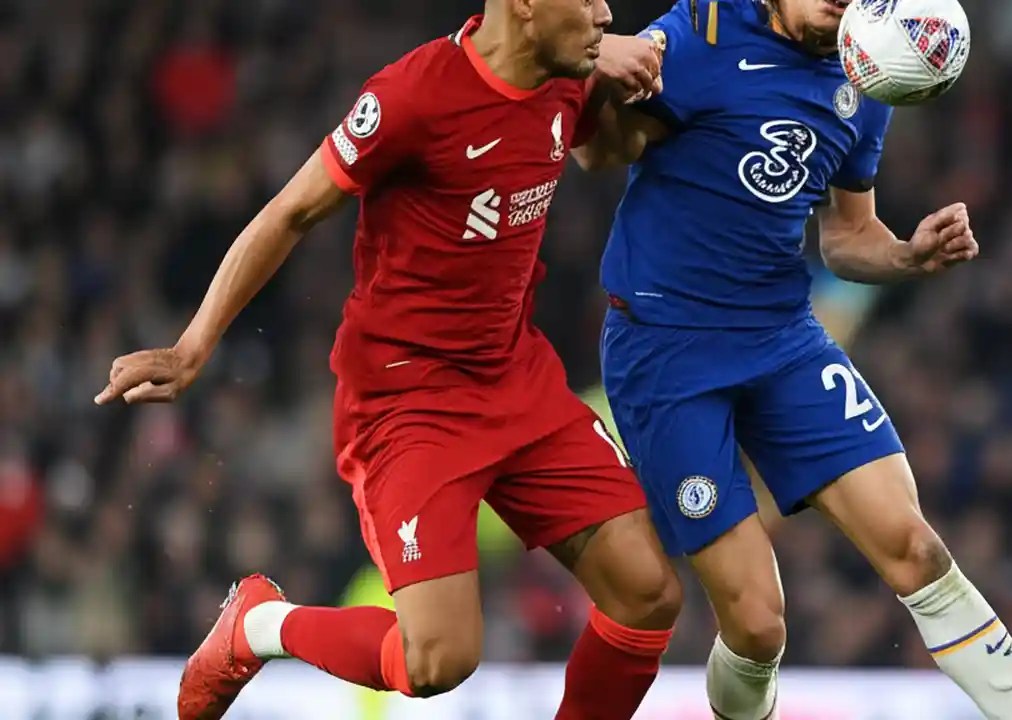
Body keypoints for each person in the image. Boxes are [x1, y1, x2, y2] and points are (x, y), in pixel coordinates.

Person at [94, 1, 682, 718]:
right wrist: (192, 347)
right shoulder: (413, 96)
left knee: (647, 593)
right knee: (438, 660)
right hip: (410, 404)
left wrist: (635, 77)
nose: (605, 10)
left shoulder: (564, 75)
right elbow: (290, 212)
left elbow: (603, 149)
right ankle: (258, 624)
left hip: (514, 376)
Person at [574, 1, 1012, 718]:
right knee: (758, 628)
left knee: (916, 549)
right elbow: (598, 152)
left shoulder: (869, 70)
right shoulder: (702, 29)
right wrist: (599, 69)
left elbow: (847, 236)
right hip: (665, 350)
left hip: (781, 338)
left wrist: (906, 255)